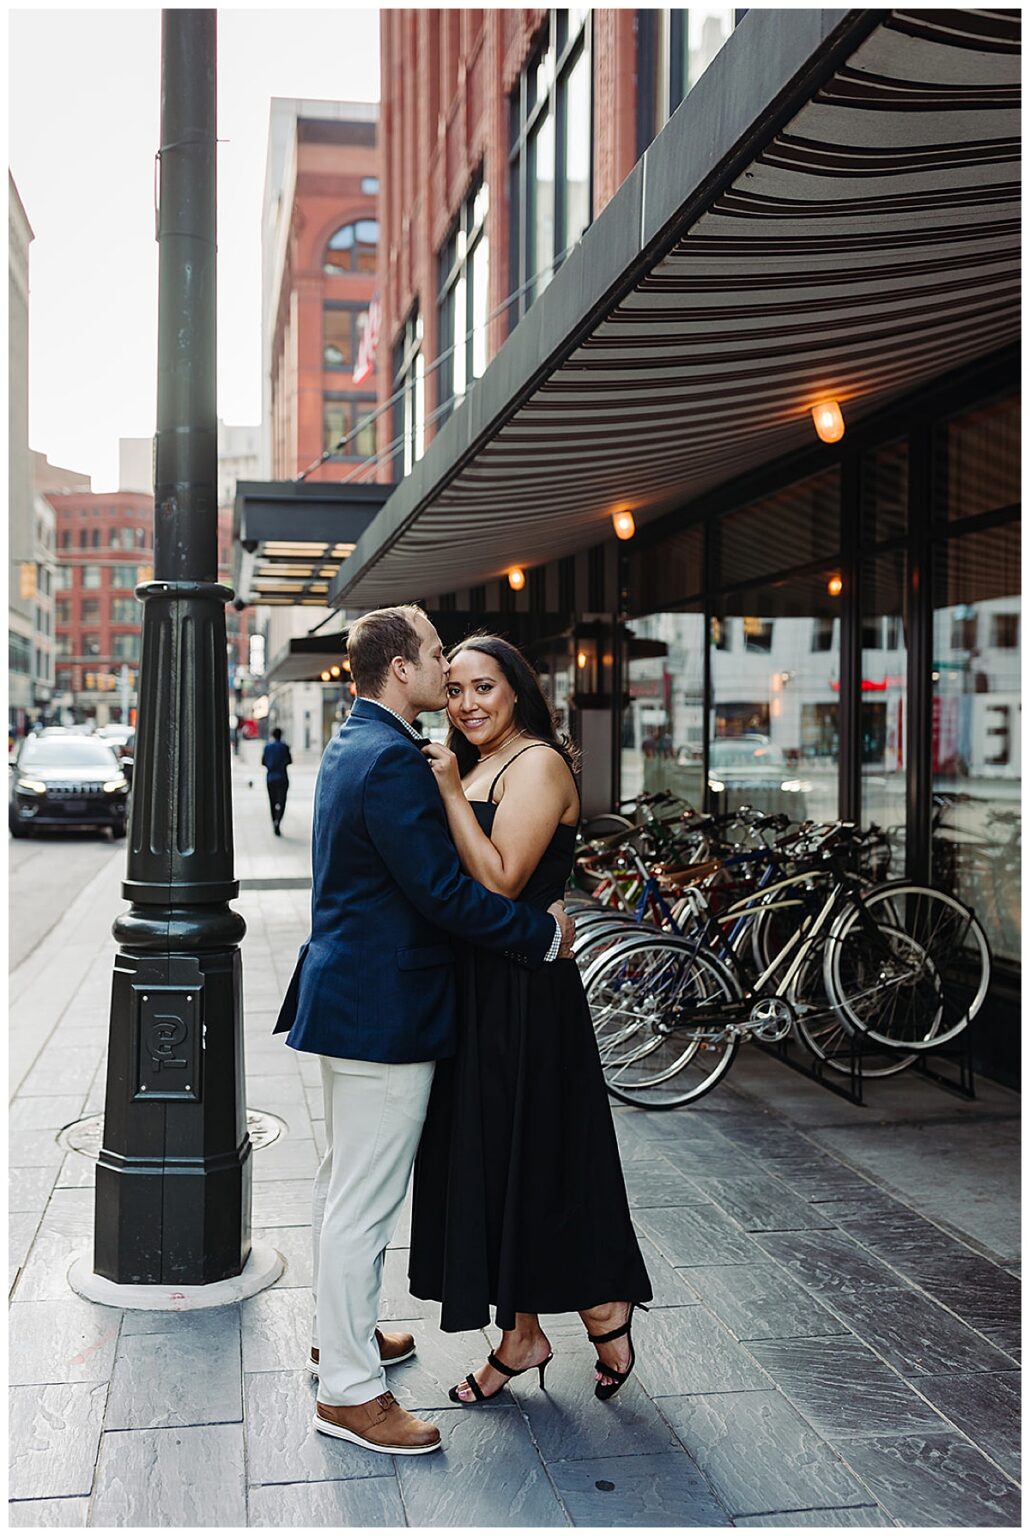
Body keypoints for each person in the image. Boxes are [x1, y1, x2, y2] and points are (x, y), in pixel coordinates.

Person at [273, 605, 573, 1459]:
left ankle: (342, 1338)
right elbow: (443, 894)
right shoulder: (392, 759)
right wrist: (540, 935)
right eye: (439, 655)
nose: (448, 669)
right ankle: (349, 1394)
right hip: (384, 1010)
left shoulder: (356, 742)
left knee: (344, 1187)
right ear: (402, 668)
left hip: (355, 998)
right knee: (362, 1202)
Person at [410, 633, 652, 1406]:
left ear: (517, 688)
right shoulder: (475, 762)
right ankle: (522, 1333)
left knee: (541, 1158)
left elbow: (503, 881)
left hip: (526, 994)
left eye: (483, 687)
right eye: (454, 689)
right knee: (494, 1163)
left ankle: (602, 1308)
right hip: (478, 987)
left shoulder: (538, 763)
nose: (467, 703)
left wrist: (450, 794)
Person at [261, 727, 292, 834]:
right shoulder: (285, 747)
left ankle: (274, 820)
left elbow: (263, 762)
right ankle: (278, 821)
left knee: (272, 801)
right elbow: (289, 761)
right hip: (282, 778)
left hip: (270, 778)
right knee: (282, 801)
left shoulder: (267, 747)